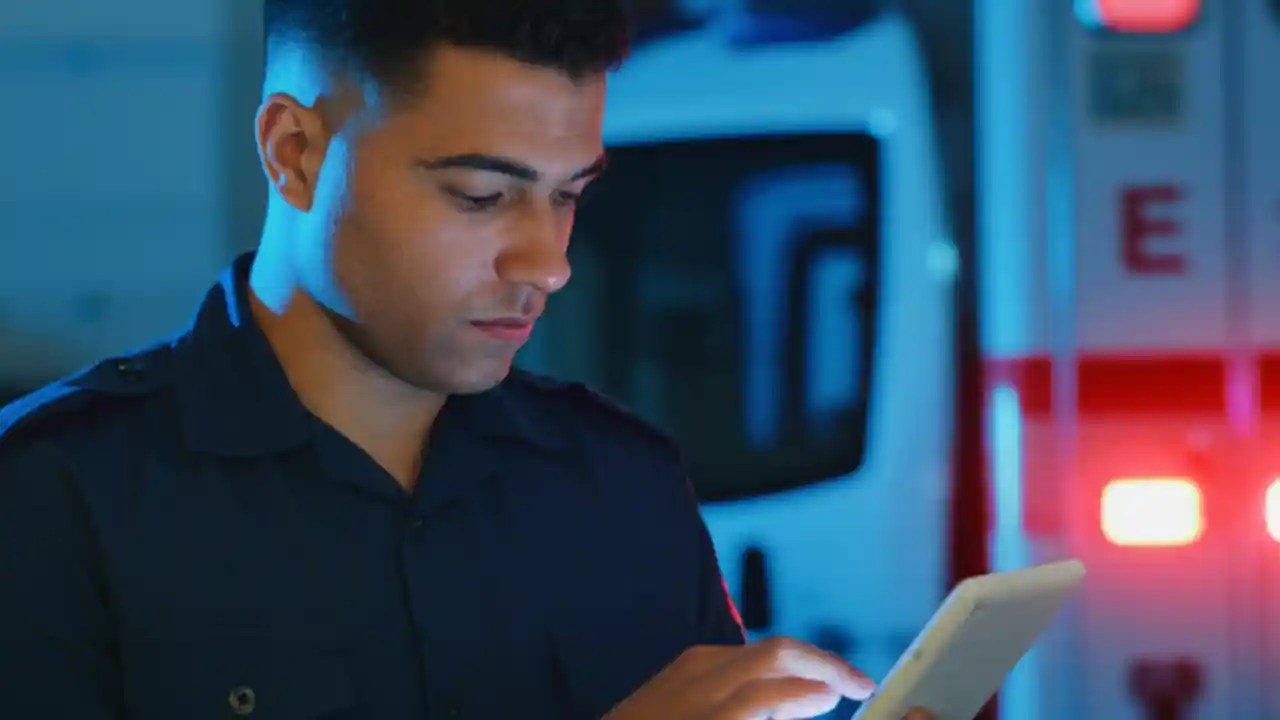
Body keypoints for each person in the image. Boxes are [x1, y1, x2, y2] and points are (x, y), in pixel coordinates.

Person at [0, 1, 935, 718]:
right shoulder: (59, 500)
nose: (550, 264)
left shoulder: (620, 485)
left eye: (568, 197)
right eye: (483, 196)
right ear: (295, 152)